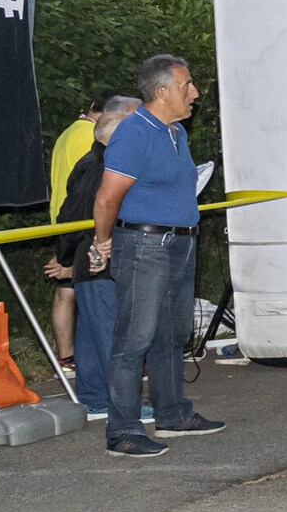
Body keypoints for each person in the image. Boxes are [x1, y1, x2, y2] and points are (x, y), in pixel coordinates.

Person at [87, 55, 226, 457]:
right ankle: (122, 431)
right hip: (144, 247)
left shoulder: (175, 131)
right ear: (162, 92)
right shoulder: (134, 133)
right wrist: (102, 242)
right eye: (187, 86)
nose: (194, 93)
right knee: (134, 340)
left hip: (180, 243)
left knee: (172, 335)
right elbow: (106, 198)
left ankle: (173, 413)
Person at [50, 95, 137, 421]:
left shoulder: (97, 163)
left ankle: (93, 398)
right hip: (95, 258)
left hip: (91, 258)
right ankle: (123, 406)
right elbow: (73, 216)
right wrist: (66, 259)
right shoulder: (99, 168)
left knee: (90, 332)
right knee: (110, 334)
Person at [45, 93, 126, 367]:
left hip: (66, 221)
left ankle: (69, 356)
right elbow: (91, 192)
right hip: (81, 226)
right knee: (78, 293)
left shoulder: (68, 132)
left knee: (68, 293)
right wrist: (66, 254)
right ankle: (70, 357)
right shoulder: (89, 139)